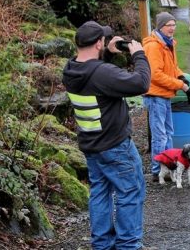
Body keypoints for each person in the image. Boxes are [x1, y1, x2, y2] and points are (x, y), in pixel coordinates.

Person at [63, 21, 151, 250]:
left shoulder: (71, 68)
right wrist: (139, 55)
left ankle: (102, 245)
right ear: (99, 43)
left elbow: (97, 78)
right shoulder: (101, 73)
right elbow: (141, 83)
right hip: (115, 146)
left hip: (92, 146)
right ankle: (128, 245)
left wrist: (107, 57)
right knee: (130, 191)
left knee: (100, 193)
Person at [141, 13, 190, 179]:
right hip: (156, 96)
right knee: (160, 136)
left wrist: (181, 77)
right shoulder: (154, 46)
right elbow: (155, 75)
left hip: (164, 95)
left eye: (173, 25)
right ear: (160, 27)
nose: (172, 28)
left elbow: (172, 67)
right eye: (168, 25)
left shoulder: (168, 43)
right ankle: (158, 171)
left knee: (168, 132)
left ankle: (170, 167)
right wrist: (181, 85)